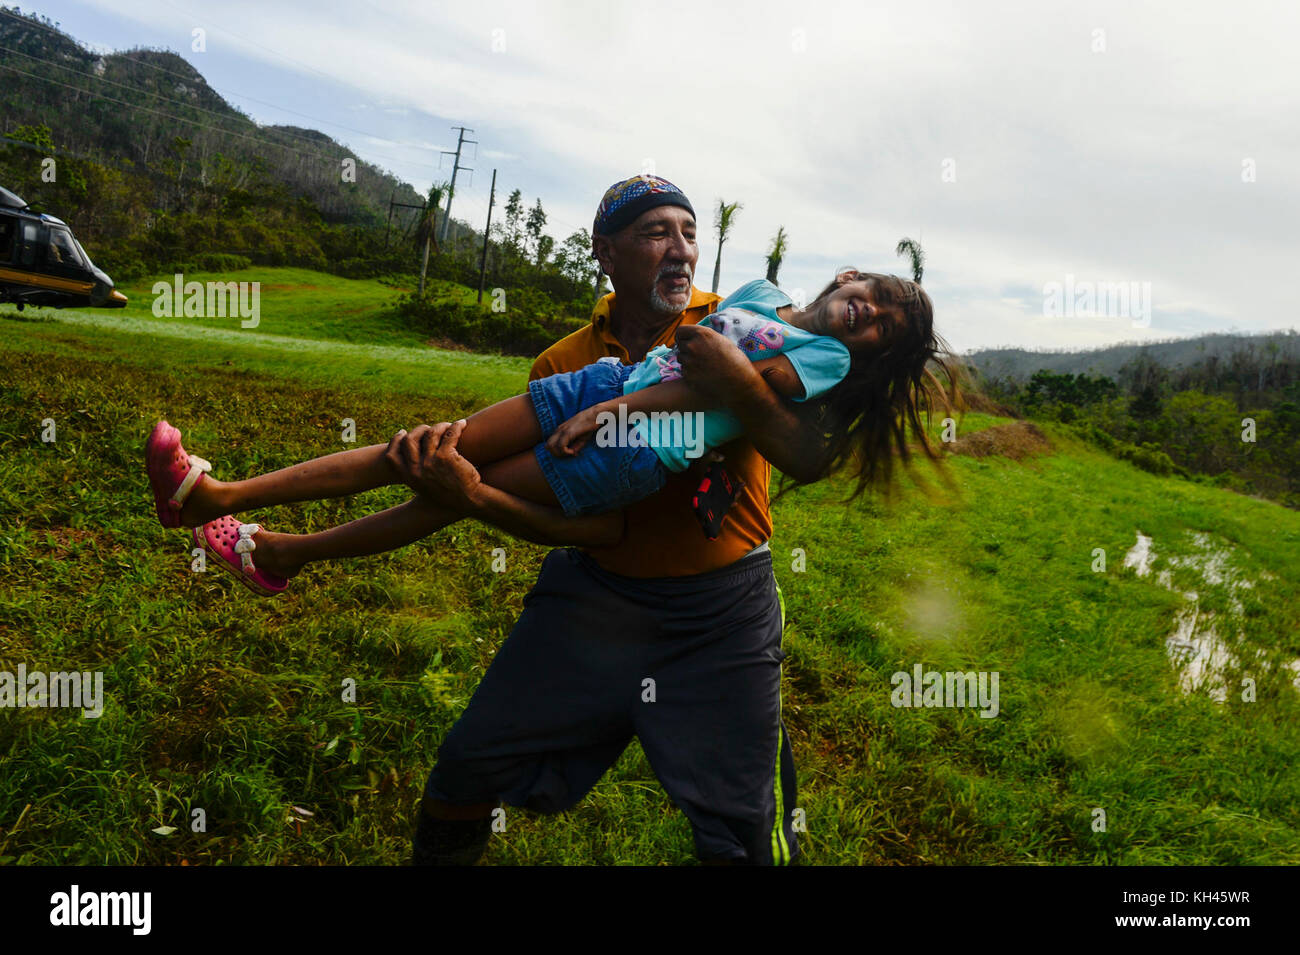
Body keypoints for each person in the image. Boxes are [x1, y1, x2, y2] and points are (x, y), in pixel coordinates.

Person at [143, 269, 937, 592]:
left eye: (887, 329)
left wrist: (615, 414)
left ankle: (281, 553)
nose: (873, 314)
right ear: (849, 276)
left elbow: (713, 395)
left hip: (635, 440)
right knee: (416, 451)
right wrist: (606, 391)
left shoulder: (821, 361)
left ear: (869, 353)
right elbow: (680, 347)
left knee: (447, 493)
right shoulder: (761, 290)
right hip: (600, 384)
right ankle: (213, 492)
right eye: (878, 293)